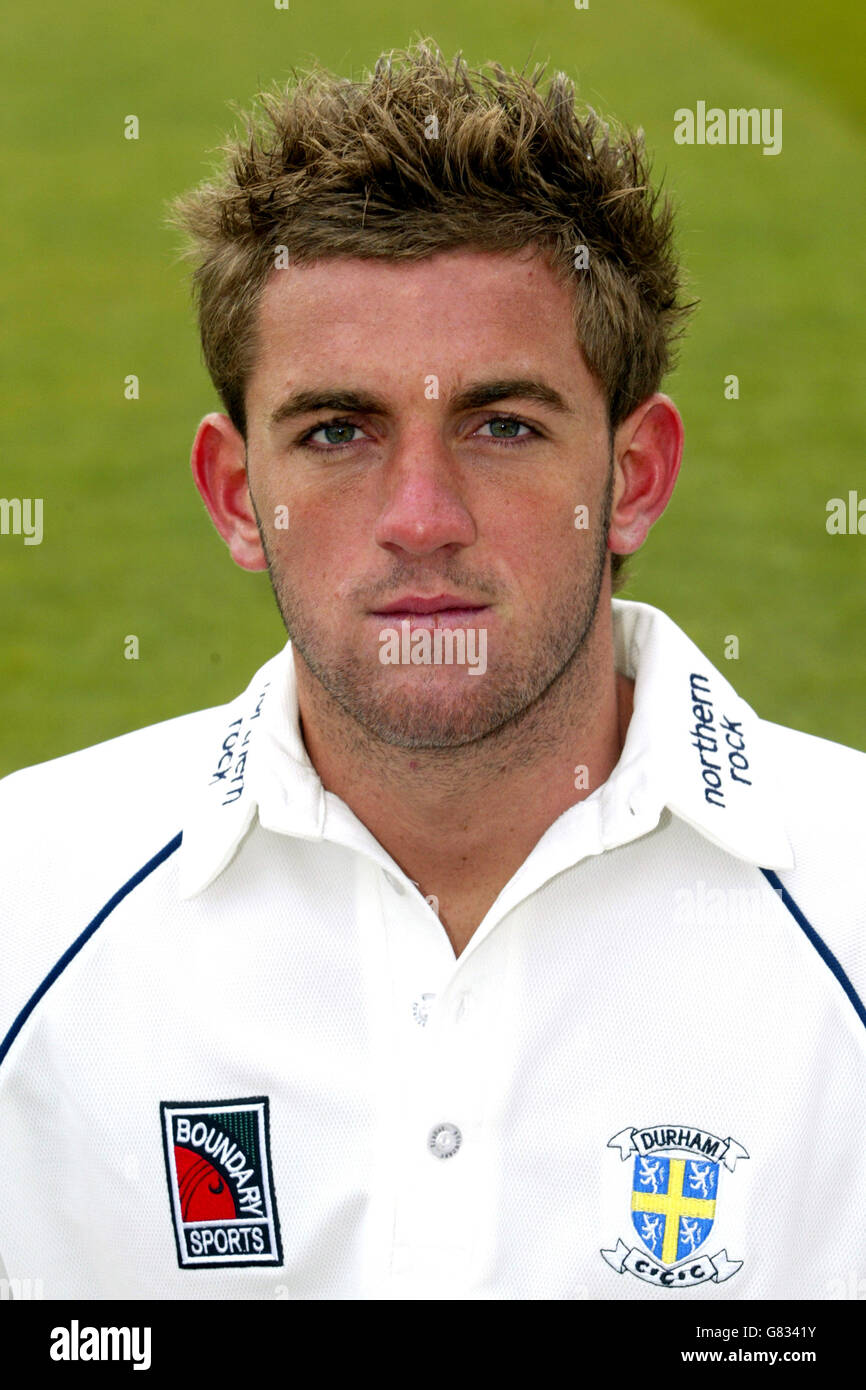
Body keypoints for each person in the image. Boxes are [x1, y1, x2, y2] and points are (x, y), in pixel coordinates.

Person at [0, 41, 863, 1302]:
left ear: (630, 478)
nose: (420, 518)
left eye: (501, 425)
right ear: (237, 496)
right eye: (336, 432)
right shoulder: (23, 914)